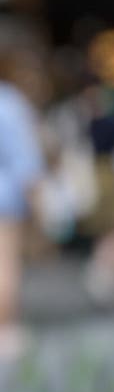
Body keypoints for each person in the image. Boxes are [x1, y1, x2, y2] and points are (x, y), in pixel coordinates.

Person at [0, 58, 43, 357]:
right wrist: (39, 204)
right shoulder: (10, 103)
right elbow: (26, 163)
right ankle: (5, 329)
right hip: (5, 197)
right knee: (5, 264)